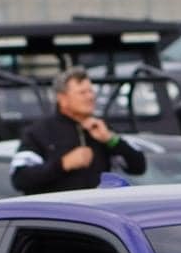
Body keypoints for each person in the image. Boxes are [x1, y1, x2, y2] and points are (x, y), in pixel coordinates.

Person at [10, 69, 146, 194]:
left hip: (95, 216)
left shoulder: (100, 128)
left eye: (91, 91)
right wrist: (63, 164)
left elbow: (138, 167)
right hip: (55, 216)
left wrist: (111, 140)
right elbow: (20, 178)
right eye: (82, 93)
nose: (90, 97)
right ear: (62, 98)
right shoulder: (39, 131)